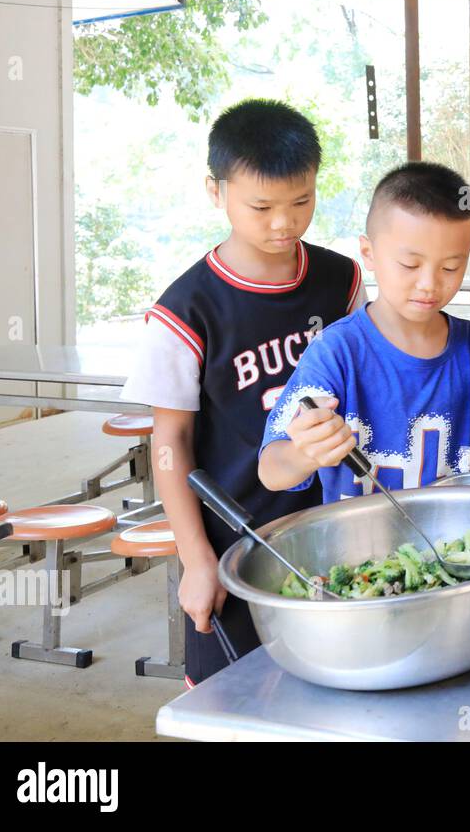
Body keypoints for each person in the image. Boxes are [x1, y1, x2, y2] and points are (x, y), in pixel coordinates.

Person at [120, 99, 364, 686]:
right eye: (262, 206)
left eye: (301, 202)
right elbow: (170, 441)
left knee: (336, 691)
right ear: (216, 190)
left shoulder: (341, 281)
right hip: (234, 536)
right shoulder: (186, 310)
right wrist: (196, 558)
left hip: (334, 528)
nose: (284, 223)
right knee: (235, 700)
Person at [259, 162, 470, 501]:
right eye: (410, 265)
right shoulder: (336, 351)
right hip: (360, 546)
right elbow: (271, 471)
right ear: (369, 253)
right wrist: (306, 452)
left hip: (453, 544)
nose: (429, 284)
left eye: (451, 267)